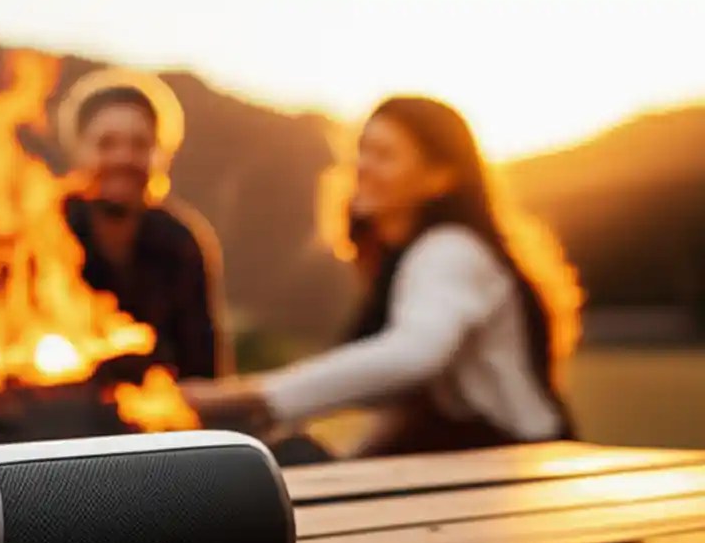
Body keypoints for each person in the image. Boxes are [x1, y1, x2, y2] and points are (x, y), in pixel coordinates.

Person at [183, 96, 583, 457]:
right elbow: (411, 402)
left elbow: (413, 356)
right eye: (362, 150)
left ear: (439, 178)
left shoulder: (451, 250)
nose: (362, 167)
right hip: (477, 457)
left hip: (521, 457)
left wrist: (248, 395)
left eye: (384, 155)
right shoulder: (404, 257)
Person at [57, 70, 233, 379]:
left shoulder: (182, 243)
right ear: (79, 150)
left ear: (160, 154)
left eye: (139, 144)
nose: (124, 158)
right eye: (107, 144)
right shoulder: (41, 232)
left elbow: (205, 371)